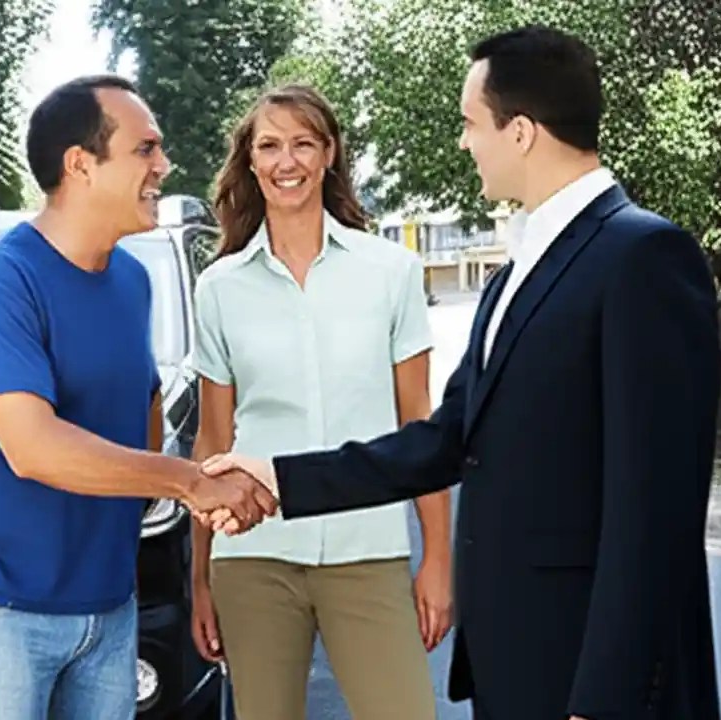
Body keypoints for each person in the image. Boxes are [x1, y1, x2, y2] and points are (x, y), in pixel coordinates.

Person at [204, 25, 721, 720]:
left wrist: (603, 696)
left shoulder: (643, 255)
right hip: (519, 664)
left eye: (470, 123)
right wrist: (281, 476)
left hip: (590, 682)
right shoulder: (516, 274)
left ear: (522, 133)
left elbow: (656, 511)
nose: (462, 141)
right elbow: (445, 439)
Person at [0, 74, 278, 720]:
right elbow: (33, 448)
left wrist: (203, 479)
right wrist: (190, 482)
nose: (163, 166)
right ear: (80, 165)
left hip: (109, 606)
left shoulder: (132, 283)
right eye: (145, 149)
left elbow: (139, 414)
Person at [187, 84, 450, 720]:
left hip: (368, 548)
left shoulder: (390, 271)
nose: (287, 162)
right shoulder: (219, 287)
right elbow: (212, 442)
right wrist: (199, 578)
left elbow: (420, 425)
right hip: (253, 554)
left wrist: (438, 558)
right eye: (270, 145)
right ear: (249, 161)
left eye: (303, 143)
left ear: (329, 154)